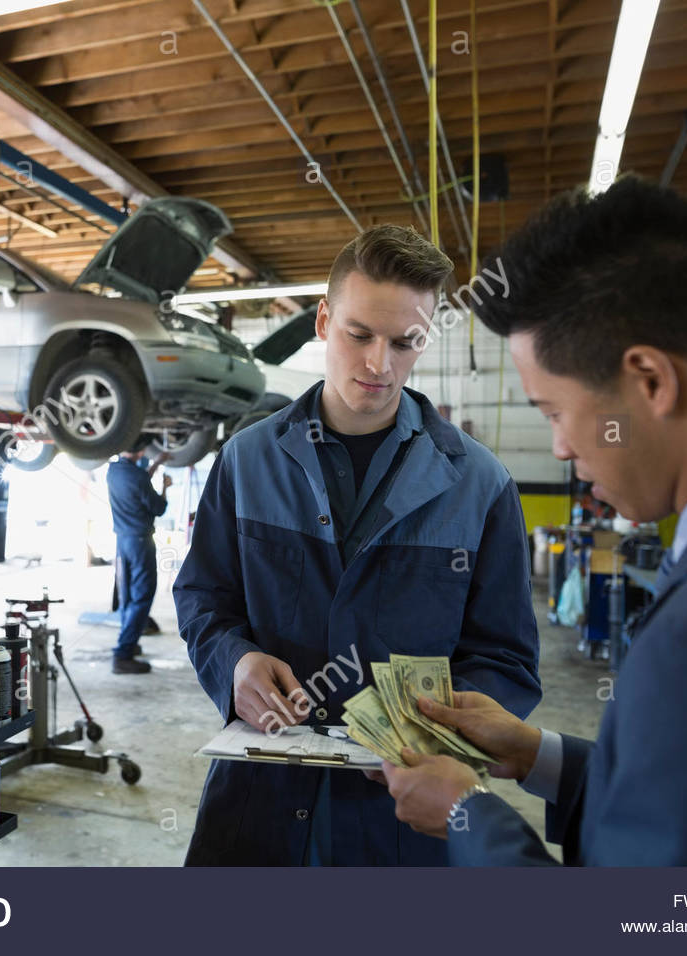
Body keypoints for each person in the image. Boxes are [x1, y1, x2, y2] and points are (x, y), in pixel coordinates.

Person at [382, 178, 687, 864]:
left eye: (553, 411)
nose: (561, 449)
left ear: (650, 381)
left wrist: (466, 819)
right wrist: (537, 754)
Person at [173, 225, 541, 865]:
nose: (379, 364)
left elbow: (506, 659)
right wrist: (235, 662)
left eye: (406, 342)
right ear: (322, 320)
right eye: (359, 334)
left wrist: (445, 743)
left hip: (399, 820)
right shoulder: (246, 461)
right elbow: (204, 597)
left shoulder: (481, 486)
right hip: (257, 801)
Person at [105, 441, 172, 674]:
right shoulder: (138, 477)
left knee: (127, 595)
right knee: (142, 596)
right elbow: (159, 508)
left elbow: (139, 482)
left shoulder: (113, 470)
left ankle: (129, 644)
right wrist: (165, 487)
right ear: (142, 451)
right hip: (141, 543)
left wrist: (156, 465)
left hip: (122, 542)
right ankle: (122, 654)